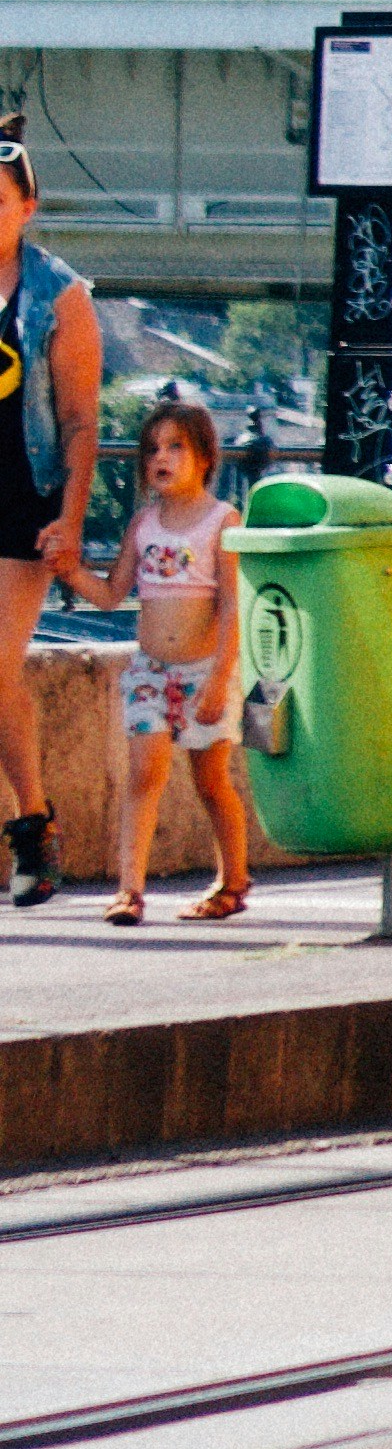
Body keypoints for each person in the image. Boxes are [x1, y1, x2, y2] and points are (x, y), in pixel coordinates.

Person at [91, 395, 244, 928]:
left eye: (176, 446)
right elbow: (112, 594)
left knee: (210, 780)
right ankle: (129, 890)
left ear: (204, 456)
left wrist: (221, 680)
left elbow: (230, 605)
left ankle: (232, 881)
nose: (163, 457)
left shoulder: (222, 520)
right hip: (151, 671)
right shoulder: (143, 524)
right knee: (143, 772)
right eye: (154, 449)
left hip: (204, 671)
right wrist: (66, 568)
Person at [0, 124, 102, 909]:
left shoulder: (58, 296)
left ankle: (33, 829)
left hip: (22, 501)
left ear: (28, 206)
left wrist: (69, 521)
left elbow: (77, 422)